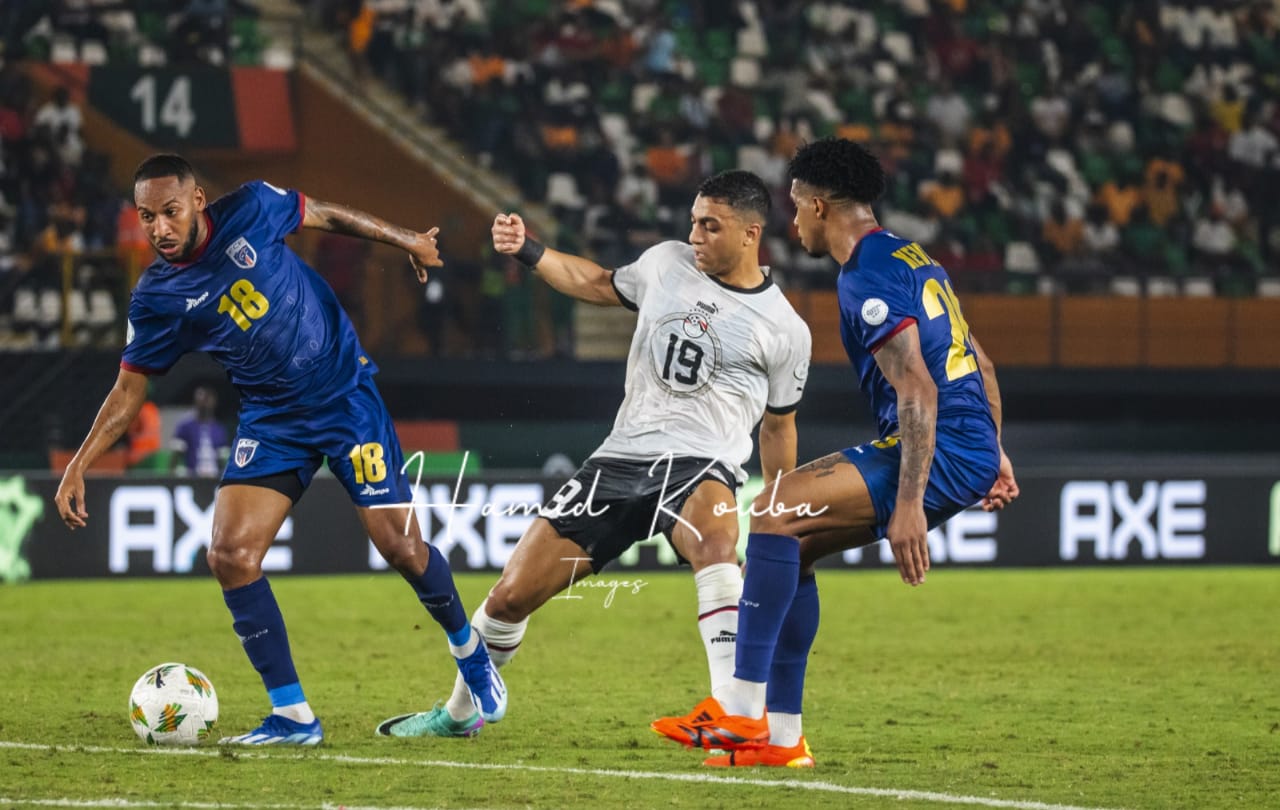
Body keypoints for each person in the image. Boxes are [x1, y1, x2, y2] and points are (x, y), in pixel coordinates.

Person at [53, 154, 506, 745]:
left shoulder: (250, 208)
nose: (159, 228)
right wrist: (79, 465)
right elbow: (128, 390)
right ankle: (293, 716)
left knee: (400, 544)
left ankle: (470, 654)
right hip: (273, 420)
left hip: (345, 398)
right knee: (230, 554)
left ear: (195, 200)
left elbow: (321, 213)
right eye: (146, 217)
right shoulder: (156, 298)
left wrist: (409, 240)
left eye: (168, 212)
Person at [376, 170, 812, 738]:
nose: (696, 235)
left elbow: (778, 432)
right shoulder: (666, 263)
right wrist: (530, 250)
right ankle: (460, 713)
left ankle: (735, 712)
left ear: (752, 234)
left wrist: (780, 521)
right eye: (693, 222)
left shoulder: (784, 327)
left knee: (715, 543)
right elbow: (599, 283)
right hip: (619, 460)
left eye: (711, 226)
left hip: (701, 464)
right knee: (509, 597)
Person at [653, 138, 1020, 767]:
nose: (791, 223)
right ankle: (784, 739)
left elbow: (917, 386)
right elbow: (976, 358)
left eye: (795, 208)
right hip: (967, 439)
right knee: (794, 544)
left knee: (772, 507)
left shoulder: (865, 274)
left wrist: (910, 504)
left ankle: (742, 711)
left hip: (939, 445)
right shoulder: (911, 255)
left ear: (819, 206)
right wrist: (996, 448)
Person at [169, 384, 231, 477]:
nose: (204, 402)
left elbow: (223, 459)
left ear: (214, 402)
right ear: (195, 400)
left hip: (214, 479)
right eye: (201, 397)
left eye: (208, 398)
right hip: (192, 478)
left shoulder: (219, 429)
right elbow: (175, 457)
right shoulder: (185, 426)